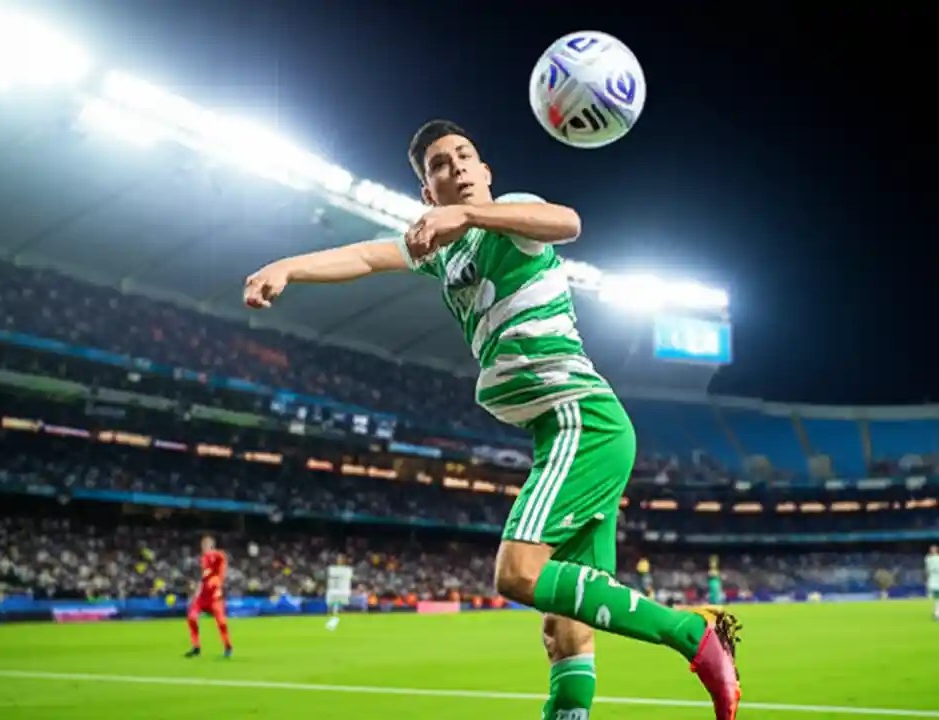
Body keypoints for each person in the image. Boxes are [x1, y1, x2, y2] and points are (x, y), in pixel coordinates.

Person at [243, 119, 741, 720]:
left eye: (465, 156)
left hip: (581, 419)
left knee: (517, 573)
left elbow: (569, 222)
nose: (456, 168)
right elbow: (366, 255)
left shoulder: (513, 215)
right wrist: (289, 267)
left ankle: (694, 635)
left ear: (484, 173)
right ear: (429, 193)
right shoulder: (442, 253)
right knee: (565, 630)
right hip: (558, 430)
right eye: (440, 166)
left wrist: (476, 216)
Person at [185, 535, 233, 658]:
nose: (204, 548)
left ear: (212, 545)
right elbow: (203, 577)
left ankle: (227, 646)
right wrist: (197, 591)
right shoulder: (203, 559)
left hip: (214, 596)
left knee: (222, 623)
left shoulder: (219, 555)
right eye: (203, 546)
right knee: (192, 618)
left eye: (206, 545)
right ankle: (196, 647)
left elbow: (221, 573)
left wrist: (218, 587)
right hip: (203, 596)